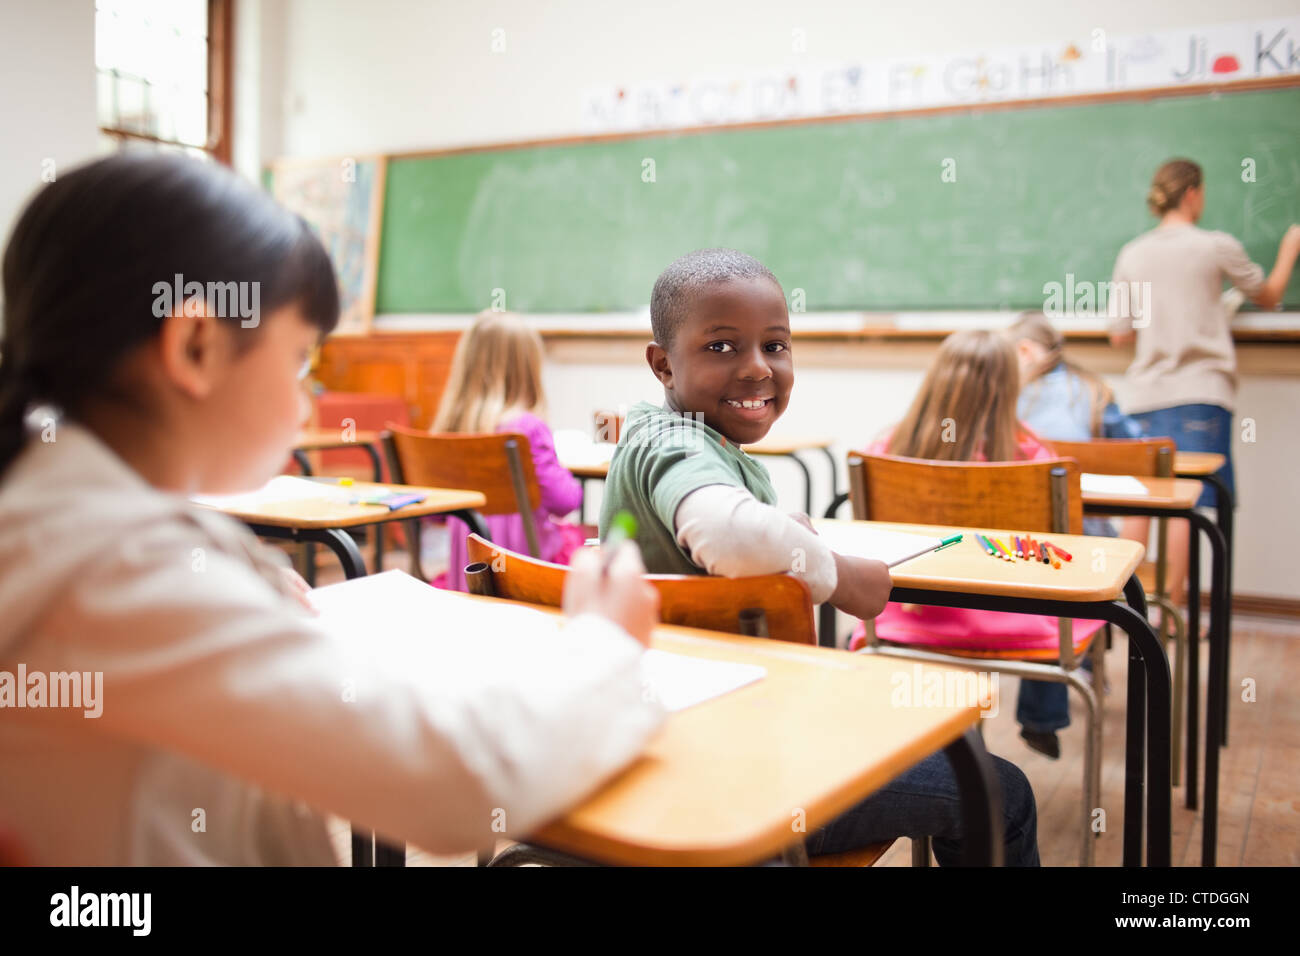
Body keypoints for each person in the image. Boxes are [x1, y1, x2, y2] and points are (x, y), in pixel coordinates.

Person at [0, 153, 664, 865]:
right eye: (299, 361)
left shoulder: (63, 514)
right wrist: (608, 643)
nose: (305, 399)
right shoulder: (118, 568)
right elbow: (454, 782)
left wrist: (228, 581)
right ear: (195, 345)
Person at [599, 249, 1040, 865]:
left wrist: (783, 528)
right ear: (662, 364)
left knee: (941, 731)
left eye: (775, 346)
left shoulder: (655, 434)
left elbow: (723, 534)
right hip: (744, 790)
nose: (757, 369)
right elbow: (731, 537)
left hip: (669, 754)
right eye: (722, 347)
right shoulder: (673, 445)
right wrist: (845, 578)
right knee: (1003, 793)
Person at [856, 329, 1105, 760]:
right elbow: (1055, 560)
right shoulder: (1034, 459)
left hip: (905, 619)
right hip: (1008, 623)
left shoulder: (883, 450)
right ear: (1010, 387)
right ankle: (1042, 719)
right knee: (1080, 597)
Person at [1109, 157, 1300, 603]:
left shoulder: (1133, 253)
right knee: (1184, 503)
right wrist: (1289, 249)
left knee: (1140, 500)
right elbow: (1269, 297)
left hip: (1145, 393)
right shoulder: (1214, 246)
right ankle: (1171, 613)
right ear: (1193, 193)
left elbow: (1120, 334)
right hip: (1199, 392)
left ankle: (1125, 605)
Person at [431, 310, 585, 590]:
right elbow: (565, 502)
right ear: (527, 369)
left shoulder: (450, 431)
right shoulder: (526, 430)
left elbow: (434, 514)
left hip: (467, 579)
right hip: (524, 576)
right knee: (584, 547)